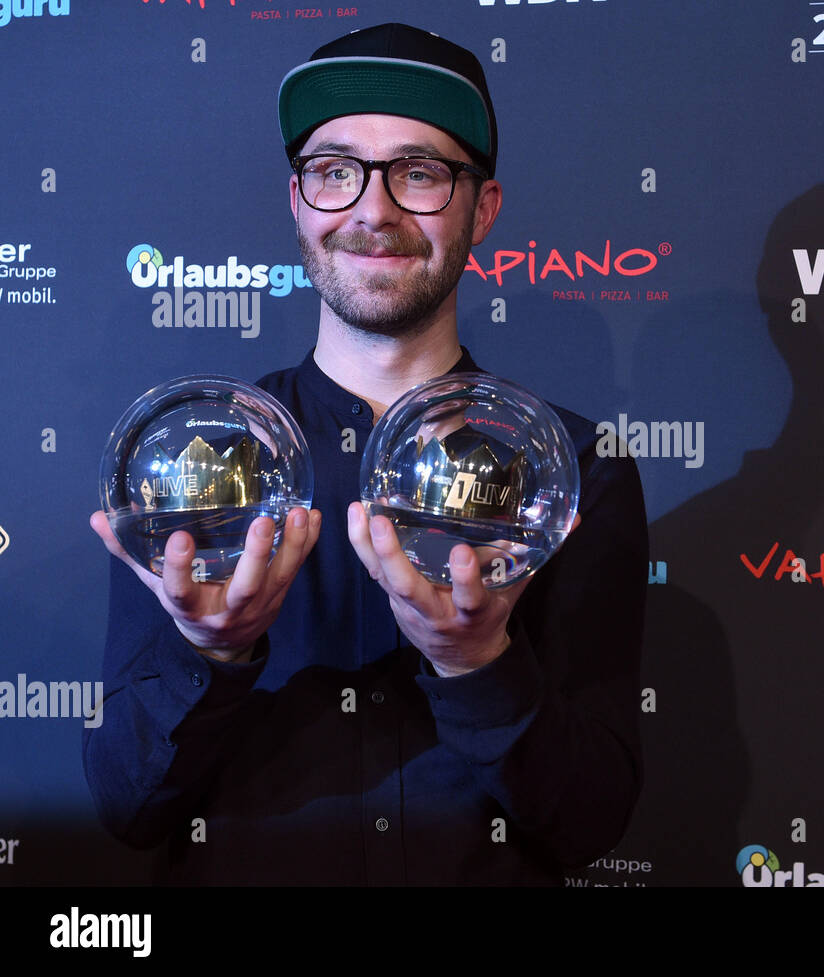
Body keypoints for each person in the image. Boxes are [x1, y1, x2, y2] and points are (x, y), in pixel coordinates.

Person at [84, 23, 647, 885]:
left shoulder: (572, 467)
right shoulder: (195, 458)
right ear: (299, 200)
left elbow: (590, 822)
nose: (373, 210)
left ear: (483, 207)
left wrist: (477, 663)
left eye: (419, 173)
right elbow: (127, 806)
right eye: (335, 170)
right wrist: (211, 653)